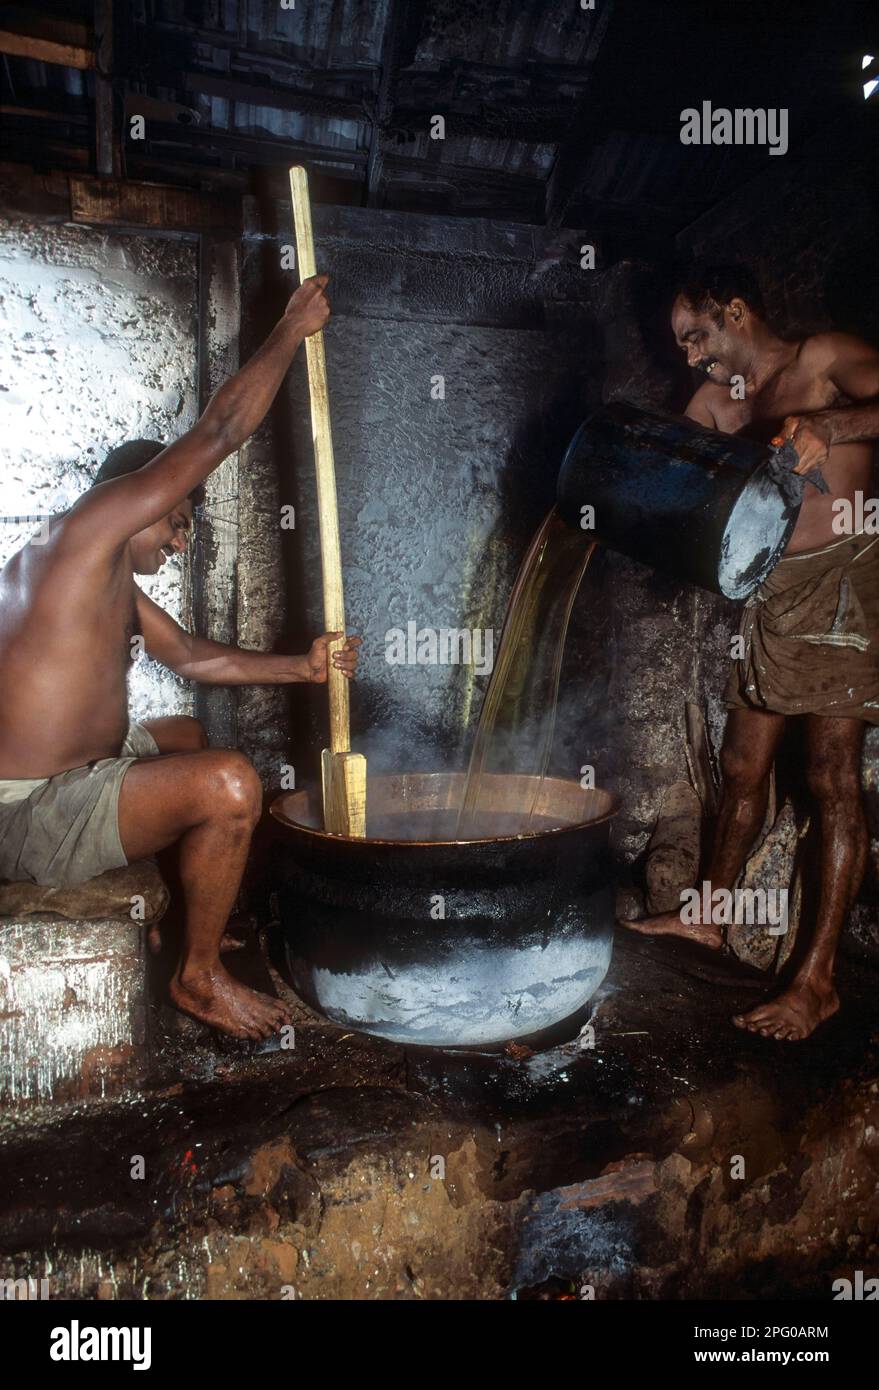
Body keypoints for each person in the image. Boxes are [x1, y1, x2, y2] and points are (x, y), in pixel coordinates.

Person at [0, 274, 360, 1040]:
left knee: (189, 741)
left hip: (73, 775)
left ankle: (188, 920)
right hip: (29, 811)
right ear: (127, 500)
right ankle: (198, 978)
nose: (180, 538)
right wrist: (290, 329)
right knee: (230, 783)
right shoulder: (82, 531)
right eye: (174, 518)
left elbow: (194, 659)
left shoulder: (101, 579)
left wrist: (302, 668)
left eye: (188, 525)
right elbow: (220, 432)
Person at [622, 262, 879, 1041]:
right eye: (679, 346)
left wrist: (831, 425)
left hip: (843, 585)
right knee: (739, 770)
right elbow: (672, 490)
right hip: (762, 599)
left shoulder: (823, 360)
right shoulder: (709, 403)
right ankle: (709, 917)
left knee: (831, 776)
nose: (691, 357)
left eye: (695, 336)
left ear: (733, 311)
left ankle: (816, 982)